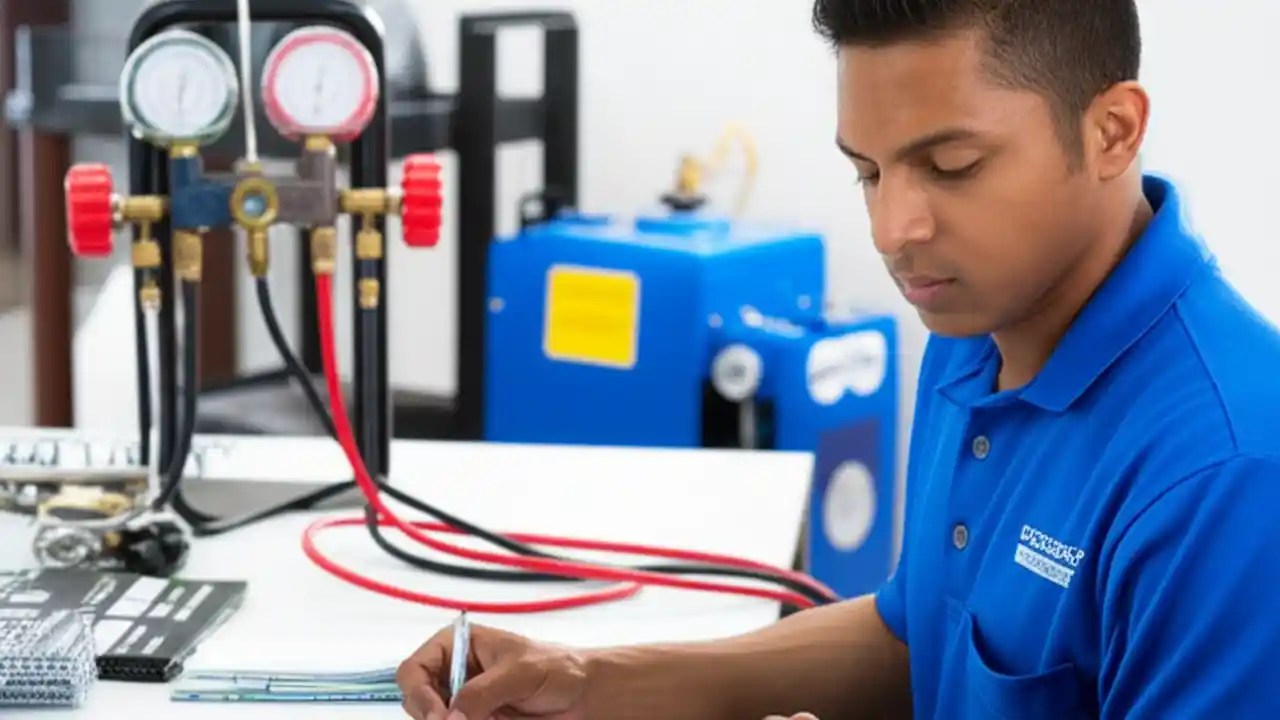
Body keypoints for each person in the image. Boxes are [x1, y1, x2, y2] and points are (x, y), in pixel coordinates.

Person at [396, 1, 1280, 718]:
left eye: (953, 164)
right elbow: (915, 639)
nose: (894, 230)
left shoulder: (1228, 476)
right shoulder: (974, 334)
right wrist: (592, 681)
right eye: (868, 172)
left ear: (1113, 131)